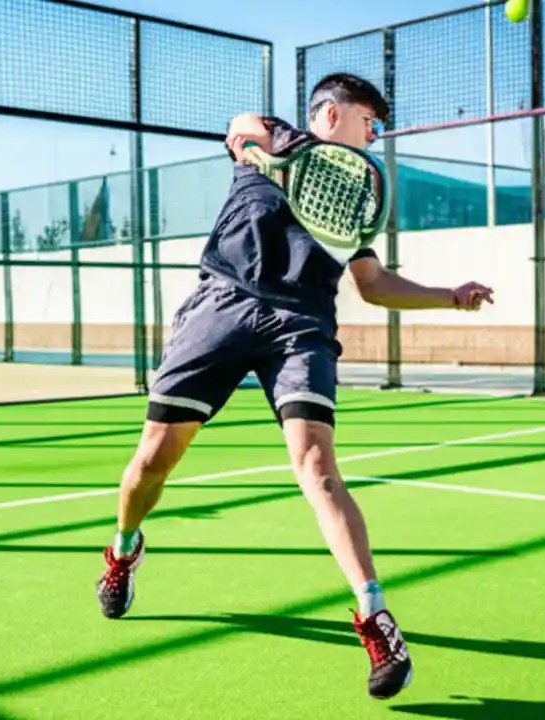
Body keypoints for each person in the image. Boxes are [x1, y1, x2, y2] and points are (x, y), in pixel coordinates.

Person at [95, 72, 494, 700]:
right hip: (223, 305)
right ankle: (123, 550)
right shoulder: (276, 135)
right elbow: (242, 127)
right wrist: (266, 154)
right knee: (153, 460)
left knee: (317, 467)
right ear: (332, 115)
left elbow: (372, 284)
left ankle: (374, 616)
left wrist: (450, 295)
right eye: (369, 121)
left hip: (302, 324)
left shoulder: (355, 194)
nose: (375, 135)